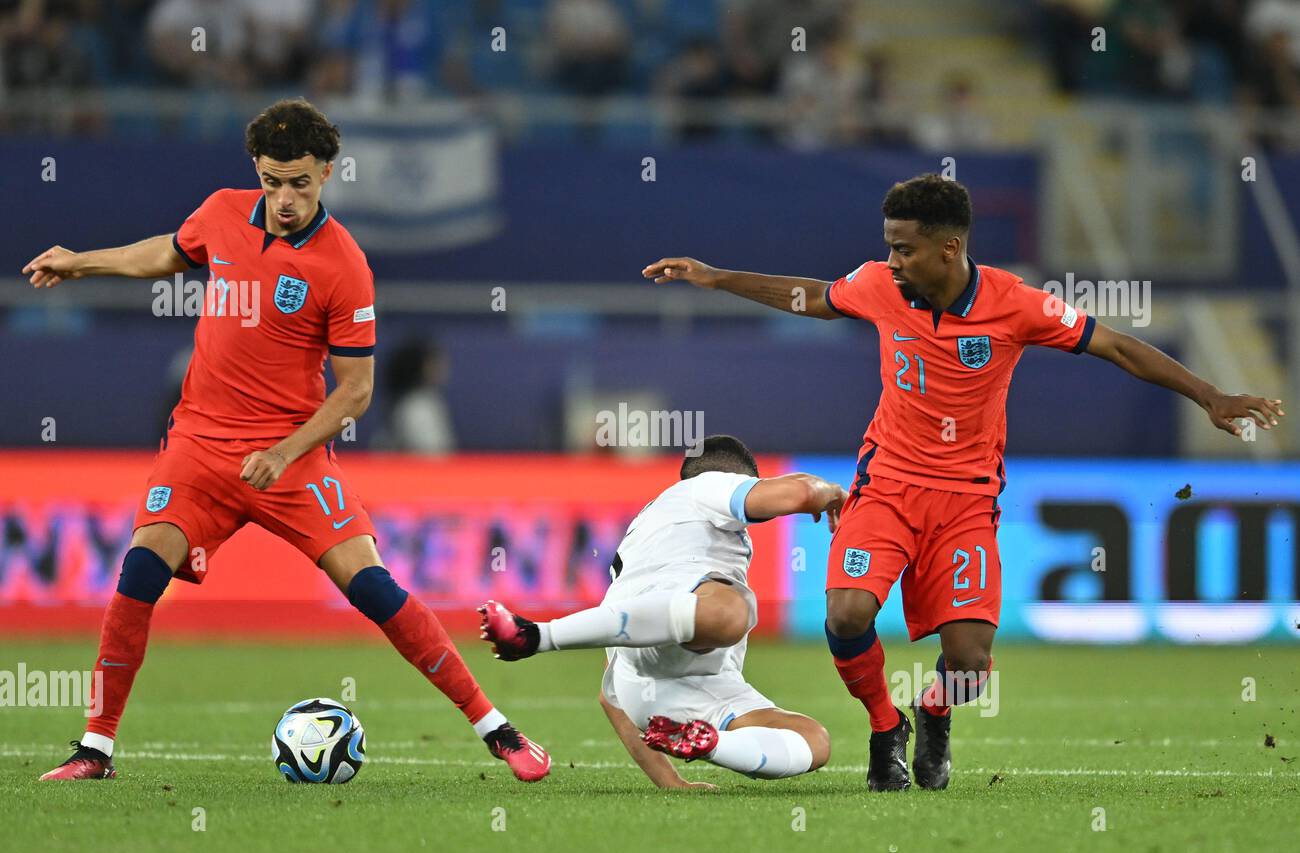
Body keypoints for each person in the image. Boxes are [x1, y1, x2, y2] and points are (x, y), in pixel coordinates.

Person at [642, 173, 1284, 791]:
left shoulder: (1018, 305)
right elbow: (811, 297)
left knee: (971, 666)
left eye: (903, 248)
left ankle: (934, 712)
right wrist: (717, 277)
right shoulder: (876, 286)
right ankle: (884, 726)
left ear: (949, 246)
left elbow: (1115, 346)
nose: (890, 261)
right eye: (889, 245)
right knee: (846, 613)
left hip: (967, 500)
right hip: (887, 483)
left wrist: (1209, 396)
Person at [23, 98, 550, 783]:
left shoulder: (344, 265)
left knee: (374, 589)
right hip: (200, 446)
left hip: (292, 456)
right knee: (139, 574)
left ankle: (497, 728)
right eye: (272, 181)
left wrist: (284, 450)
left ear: (327, 173)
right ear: (257, 173)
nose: (285, 198)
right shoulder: (220, 212)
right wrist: (79, 263)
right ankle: (96, 749)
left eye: (299, 182)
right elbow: (168, 252)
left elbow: (356, 391)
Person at [479, 435, 840, 789]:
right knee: (735, 611)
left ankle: (710, 742)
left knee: (813, 739)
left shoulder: (643, 550)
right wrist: (834, 494)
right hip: (681, 662)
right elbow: (802, 494)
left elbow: (610, 696)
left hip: (657, 693)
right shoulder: (706, 487)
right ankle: (537, 635)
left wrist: (671, 782)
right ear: (741, 480)